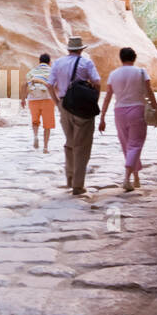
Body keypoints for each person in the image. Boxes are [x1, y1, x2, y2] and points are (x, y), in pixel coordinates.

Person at [46, 36, 101, 196]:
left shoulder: (58, 63)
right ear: (81, 49)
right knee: (82, 146)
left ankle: (69, 178)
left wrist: (57, 103)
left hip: (64, 104)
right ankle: (78, 185)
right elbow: (97, 82)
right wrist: (93, 100)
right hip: (83, 107)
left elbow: (49, 84)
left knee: (70, 142)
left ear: (68, 49)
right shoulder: (86, 63)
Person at [99, 47, 157, 191]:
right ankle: (127, 177)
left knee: (127, 145)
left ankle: (136, 177)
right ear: (134, 58)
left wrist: (102, 117)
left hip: (119, 111)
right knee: (135, 144)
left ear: (121, 58)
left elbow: (107, 96)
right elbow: (149, 91)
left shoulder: (114, 74)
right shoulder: (141, 72)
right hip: (137, 109)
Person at [21, 53, 56, 153]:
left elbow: (24, 85)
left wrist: (23, 100)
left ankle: (36, 136)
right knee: (47, 125)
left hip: (33, 99)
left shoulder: (32, 71)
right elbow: (54, 86)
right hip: (47, 99)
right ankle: (45, 147)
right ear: (49, 62)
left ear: (39, 61)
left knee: (35, 121)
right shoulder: (51, 71)